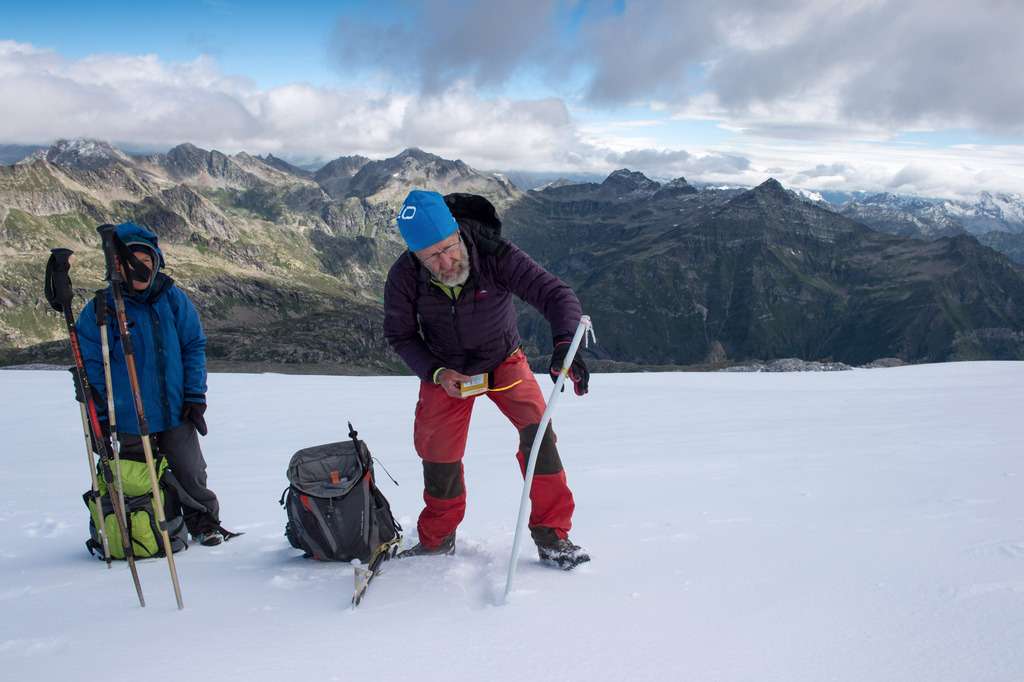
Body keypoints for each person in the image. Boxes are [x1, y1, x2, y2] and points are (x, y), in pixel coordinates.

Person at [383, 190, 591, 569]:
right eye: (432, 256)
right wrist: (438, 373)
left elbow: (555, 295)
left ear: (458, 233)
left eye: (449, 247)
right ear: (415, 255)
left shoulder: (493, 253)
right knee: (438, 454)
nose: (445, 260)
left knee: (538, 435)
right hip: (447, 372)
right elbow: (400, 335)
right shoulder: (404, 276)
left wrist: (565, 345)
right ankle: (436, 540)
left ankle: (553, 538)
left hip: (503, 361)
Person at [75, 222, 228, 546]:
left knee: (189, 471)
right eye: (133, 264)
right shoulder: (102, 308)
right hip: (129, 415)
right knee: (137, 478)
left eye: (147, 264)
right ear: (118, 265)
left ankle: (204, 522)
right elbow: (91, 363)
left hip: (175, 408)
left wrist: (194, 395)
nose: (141, 271)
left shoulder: (172, 299)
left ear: (156, 262)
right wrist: (100, 411)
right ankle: (146, 528)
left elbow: (193, 346)